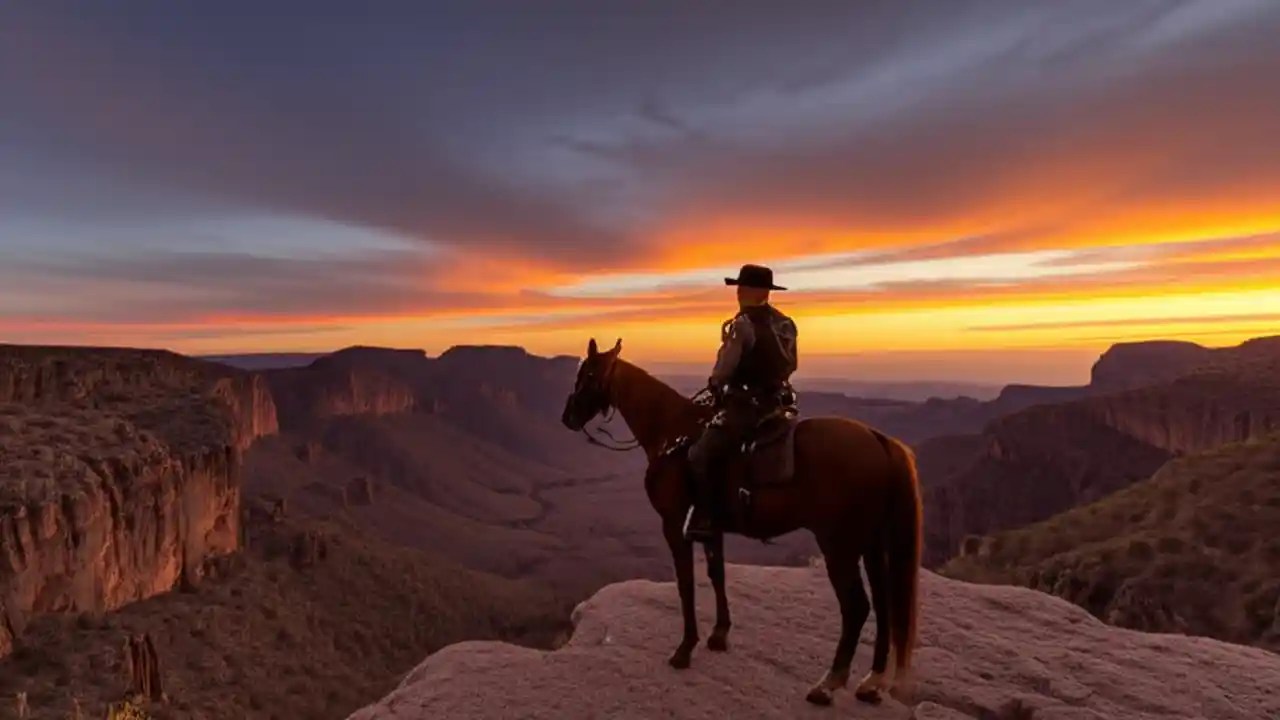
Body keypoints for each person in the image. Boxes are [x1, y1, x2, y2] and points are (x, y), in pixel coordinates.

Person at [684, 263, 798, 541]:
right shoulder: (786, 323)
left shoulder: (742, 325)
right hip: (779, 403)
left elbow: (725, 368)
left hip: (747, 405)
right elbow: (792, 363)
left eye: (742, 287)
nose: (738, 293)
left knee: (700, 455)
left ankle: (707, 518)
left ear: (751, 291)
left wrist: (715, 384)